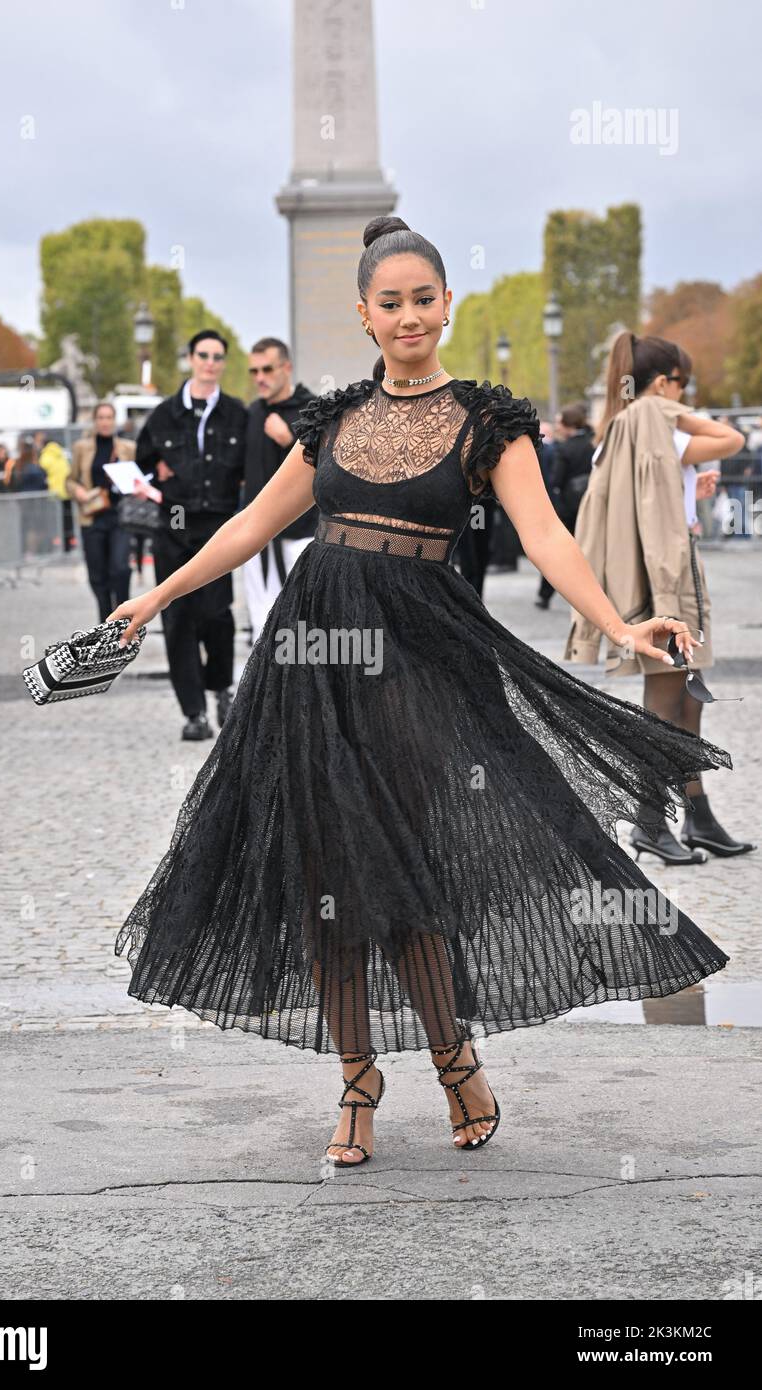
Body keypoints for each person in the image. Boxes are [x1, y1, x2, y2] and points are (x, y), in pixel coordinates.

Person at [108, 217, 732, 1169]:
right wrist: (153, 596)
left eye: (423, 300)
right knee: (325, 871)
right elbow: (248, 528)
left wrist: (617, 626)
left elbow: (549, 538)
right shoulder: (334, 422)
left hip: (421, 662)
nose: (409, 316)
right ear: (364, 314)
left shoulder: (491, 421)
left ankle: (452, 1058)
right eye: (389, 303)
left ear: (449, 305)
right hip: (311, 659)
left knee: (398, 868)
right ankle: (357, 1075)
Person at [566, 330, 753, 864]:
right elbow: (732, 438)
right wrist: (666, 409)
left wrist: (688, 490)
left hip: (655, 572)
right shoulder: (653, 425)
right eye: (681, 384)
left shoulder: (620, 433)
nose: (684, 396)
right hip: (666, 579)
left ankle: (699, 818)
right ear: (665, 382)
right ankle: (651, 820)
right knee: (668, 703)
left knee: (689, 692)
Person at [133, 330, 247, 739]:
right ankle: (193, 712)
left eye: (218, 356)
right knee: (178, 617)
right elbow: (141, 464)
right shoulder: (164, 415)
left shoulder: (237, 414)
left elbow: (252, 472)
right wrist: (153, 477)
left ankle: (220, 687)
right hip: (174, 525)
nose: (210, 362)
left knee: (216, 614)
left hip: (218, 527)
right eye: (204, 355)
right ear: (190, 358)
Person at [241, 338, 315, 641]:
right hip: (256, 539)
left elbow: (328, 467)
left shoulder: (313, 410)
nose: (260, 377)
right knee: (262, 625)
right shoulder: (253, 413)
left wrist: (289, 441)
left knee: (306, 624)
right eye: (254, 371)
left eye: (267, 369)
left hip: (302, 535)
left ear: (287, 368)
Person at [65, 402, 137, 621]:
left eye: (109, 417)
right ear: (95, 421)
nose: (105, 422)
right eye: (101, 417)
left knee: (120, 568)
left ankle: (123, 616)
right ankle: (105, 620)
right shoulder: (81, 448)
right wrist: (78, 491)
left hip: (120, 516)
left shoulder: (128, 448)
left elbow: (138, 479)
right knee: (97, 574)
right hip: (92, 517)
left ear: (115, 420)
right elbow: (70, 480)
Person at [535, 403, 594, 609]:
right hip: (591, 505)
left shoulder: (564, 449)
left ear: (567, 424)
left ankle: (545, 594)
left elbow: (555, 479)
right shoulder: (593, 444)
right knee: (590, 550)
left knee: (558, 552)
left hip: (568, 506)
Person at [35, 431, 74, 551]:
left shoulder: (45, 456)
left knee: (54, 522)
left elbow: (41, 473)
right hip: (66, 491)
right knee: (67, 520)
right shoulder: (61, 453)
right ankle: (67, 545)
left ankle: (57, 547)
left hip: (54, 493)